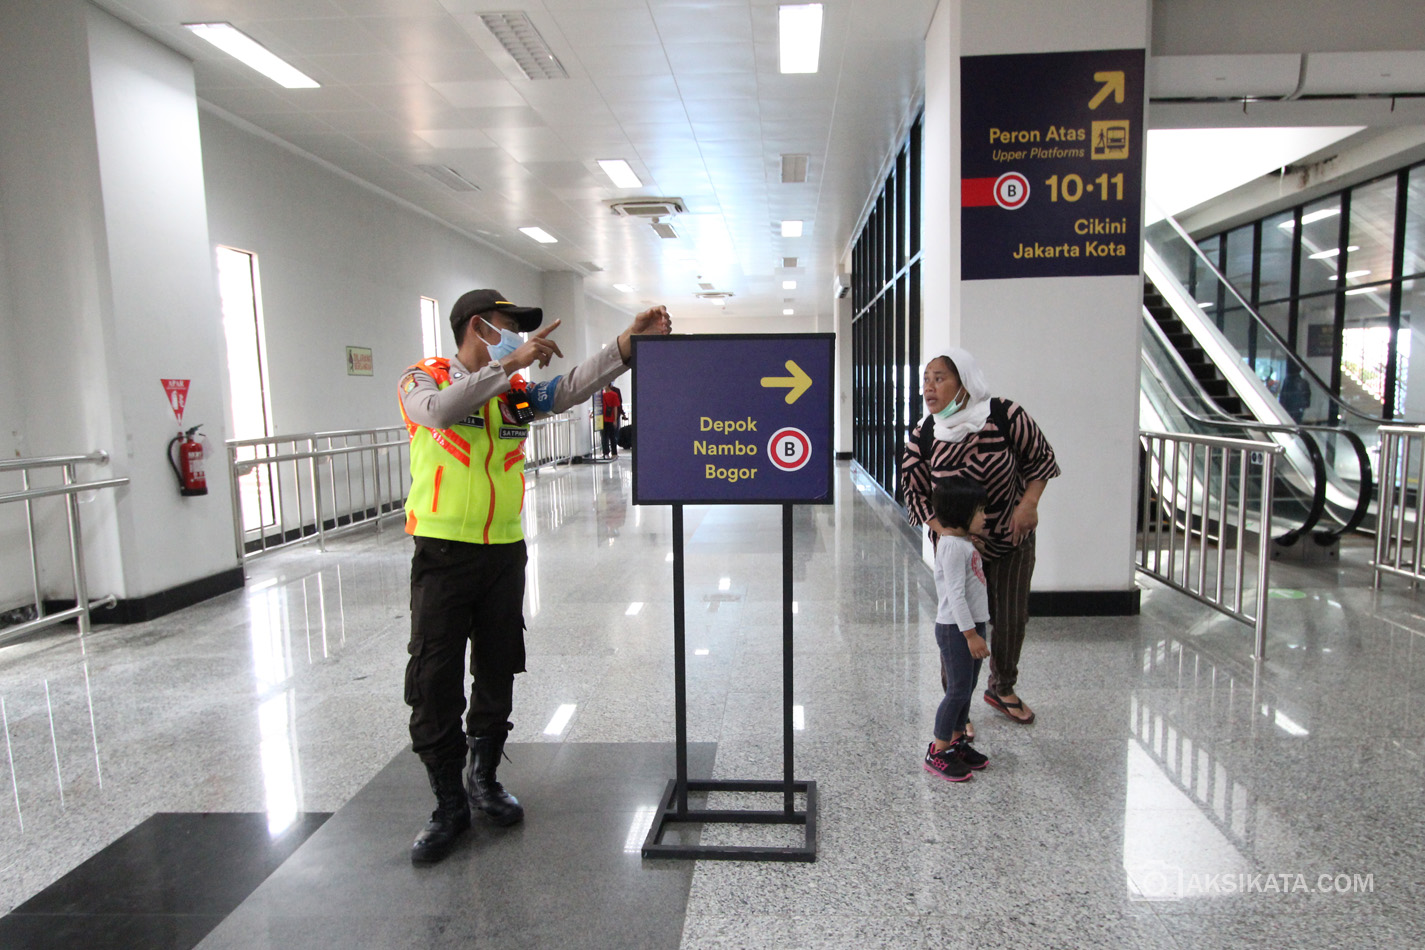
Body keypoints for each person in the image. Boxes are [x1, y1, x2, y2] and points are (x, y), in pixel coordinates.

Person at [396, 288, 672, 864]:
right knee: (434, 677)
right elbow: (437, 413)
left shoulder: (513, 394)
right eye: (508, 326)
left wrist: (626, 345)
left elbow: (567, 389)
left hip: (503, 551)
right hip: (443, 555)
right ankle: (448, 803)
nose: (519, 337)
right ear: (478, 327)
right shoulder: (423, 378)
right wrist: (510, 365)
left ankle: (483, 778)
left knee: (497, 666)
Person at [901, 347, 1060, 729]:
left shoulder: (1005, 415)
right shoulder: (925, 433)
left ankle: (1002, 687)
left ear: (965, 382)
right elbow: (914, 491)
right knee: (957, 620)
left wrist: (1029, 504)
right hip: (957, 548)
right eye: (926, 380)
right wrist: (946, 531)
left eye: (939, 378)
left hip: (1010, 538)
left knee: (1011, 618)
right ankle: (958, 704)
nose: (929, 388)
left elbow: (1041, 460)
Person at [924, 477, 992, 783]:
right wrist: (971, 635)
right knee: (957, 691)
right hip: (957, 630)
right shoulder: (952, 547)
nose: (985, 517)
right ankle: (938, 751)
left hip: (971, 626)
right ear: (961, 513)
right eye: (980, 511)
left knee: (967, 687)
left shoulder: (962, 543)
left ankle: (956, 742)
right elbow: (955, 595)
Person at [600, 383, 626, 458]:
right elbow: (598, 405)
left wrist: (615, 419)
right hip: (602, 419)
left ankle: (614, 453)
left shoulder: (614, 394)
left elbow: (615, 407)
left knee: (612, 436)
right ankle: (605, 452)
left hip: (610, 419)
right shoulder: (601, 395)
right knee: (604, 436)